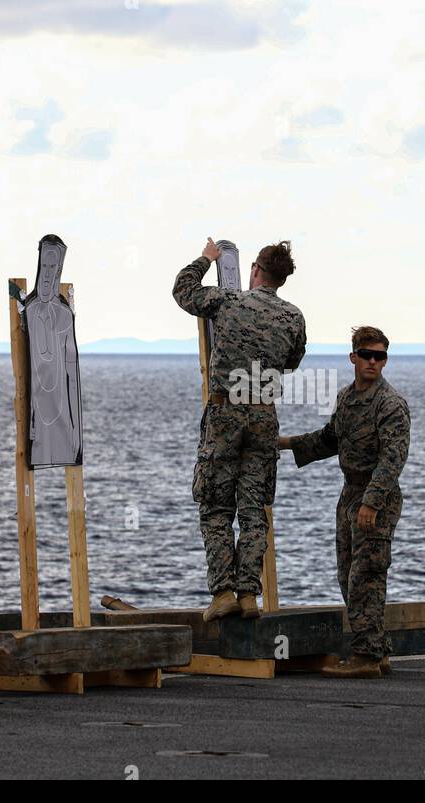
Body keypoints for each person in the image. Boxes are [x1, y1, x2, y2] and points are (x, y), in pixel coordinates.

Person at [173, 237, 306, 622]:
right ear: (282, 278)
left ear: (255, 271)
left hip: (226, 413)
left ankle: (223, 592)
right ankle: (249, 594)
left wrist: (205, 259)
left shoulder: (228, 301)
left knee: (215, 506)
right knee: (253, 510)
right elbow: (293, 361)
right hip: (264, 416)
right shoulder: (293, 317)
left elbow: (183, 290)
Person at [279, 326, 410, 678]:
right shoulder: (347, 398)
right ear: (353, 357)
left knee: (366, 575)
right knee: (346, 573)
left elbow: (393, 459)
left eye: (379, 356)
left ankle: (366, 657)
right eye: (366, 354)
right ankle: (377, 652)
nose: (372, 361)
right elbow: (329, 439)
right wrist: (284, 443)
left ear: (385, 361)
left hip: (375, 498)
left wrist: (372, 502)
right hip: (350, 493)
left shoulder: (390, 404)